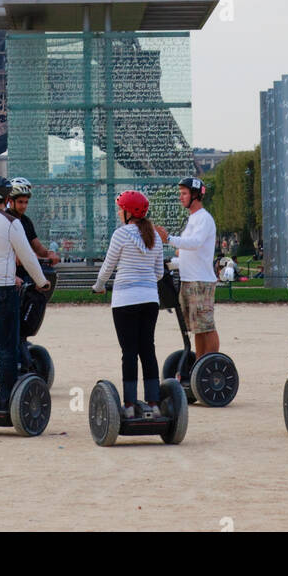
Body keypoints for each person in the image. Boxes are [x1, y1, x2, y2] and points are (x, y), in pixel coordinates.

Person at [0, 176, 49, 411]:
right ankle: (6, 399)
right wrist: (41, 282)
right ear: (7, 198)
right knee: (7, 346)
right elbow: (27, 256)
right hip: (1, 289)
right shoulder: (11, 222)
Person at [92, 190, 165, 420]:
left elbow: (107, 267)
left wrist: (99, 286)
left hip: (125, 301)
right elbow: (159, 273)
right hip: (150, 300)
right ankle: (154, 404)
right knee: (148, 349)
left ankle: (130, 405)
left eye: (120, 209)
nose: (118, 213)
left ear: (127, 212)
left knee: (129, 352)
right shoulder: (154, 236)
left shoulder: (121, 235)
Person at [154, 177, 220, 358]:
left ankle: (212, 363)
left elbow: (196, 243)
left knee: (207, 326)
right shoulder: (193, 219)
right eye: (180, 194)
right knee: (197, 328)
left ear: (196, 195)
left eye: (184, 193)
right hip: (189, 279)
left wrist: (169, 239)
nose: (180, 197)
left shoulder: (204, 219)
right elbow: (188, 251)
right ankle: (199, 362)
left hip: (201, 280)